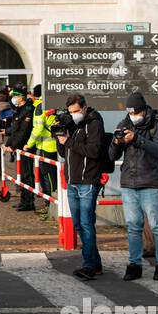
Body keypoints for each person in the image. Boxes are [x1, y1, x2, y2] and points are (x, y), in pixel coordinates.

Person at [109, 92, 158, 281]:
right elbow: (112, 156)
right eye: (130, 113)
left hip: (151, 182)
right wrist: (116, 141)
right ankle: (134, 264)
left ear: (144, 110)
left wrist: (137, 139)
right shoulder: (124, 124)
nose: (133, 116)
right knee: (133, 226)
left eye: (136, 112)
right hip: (129, 183)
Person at [57, 94, 106, 280]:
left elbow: (94, 151)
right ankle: (96, 263)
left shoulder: (94, 124)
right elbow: (63, 152)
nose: (74, 114)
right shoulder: (72, 125)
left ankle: (89, 265)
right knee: (78, 223)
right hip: (72, 181)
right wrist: (60, 136)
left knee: (86, 224)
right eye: (71, 112)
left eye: (76, 111)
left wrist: (69, 142)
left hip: (87, 181)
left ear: (84, 108)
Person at [29, 88, 59, 219]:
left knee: (48, 177)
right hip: (53, 146)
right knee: (50, 176)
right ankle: (51, 203)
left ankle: (50, 205)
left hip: (46, 147)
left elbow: (38, 128)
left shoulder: (40, 107)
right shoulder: (53, 104)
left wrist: (29, 144)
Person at [5, 89, 36, 212]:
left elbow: (23, 132)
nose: (13, 99)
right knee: (23, 175)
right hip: (20, 147)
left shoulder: (28, 110)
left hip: (26, 147)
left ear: (21, 97)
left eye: (15, 96)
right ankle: (24, 200)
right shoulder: (20, 110)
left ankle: (28, 202)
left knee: (27, 174)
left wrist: (12, 146)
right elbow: (15, 130)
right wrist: (9, 144)